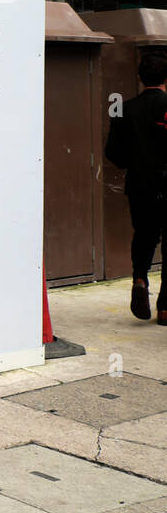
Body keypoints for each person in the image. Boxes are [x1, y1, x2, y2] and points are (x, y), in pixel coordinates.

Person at [105, 50, 167, 325]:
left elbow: (113, 154)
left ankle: (140, 278)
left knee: (144, 235)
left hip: (140, 183)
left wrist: (136, 160)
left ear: (140, 78)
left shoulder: (124, 110)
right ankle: (165, 308)